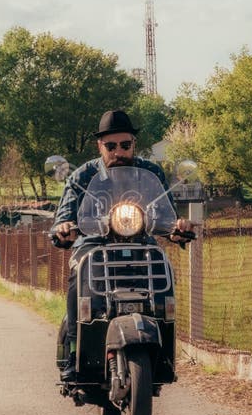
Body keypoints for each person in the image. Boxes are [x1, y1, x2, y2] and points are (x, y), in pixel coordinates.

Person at [50, 109, 193, 381]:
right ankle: (73, 353)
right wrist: (63, 228)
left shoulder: (150, 172)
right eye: (111, 146)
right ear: (100, 146)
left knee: (161, 274)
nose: (119, 152)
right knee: (78, 275)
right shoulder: (82, 177)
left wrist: (177, 228)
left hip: (141, 243)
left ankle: (163, 353)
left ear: (133, 145)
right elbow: (64, 217)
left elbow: (165, 215)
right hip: (93, 244)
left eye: (125, 145)